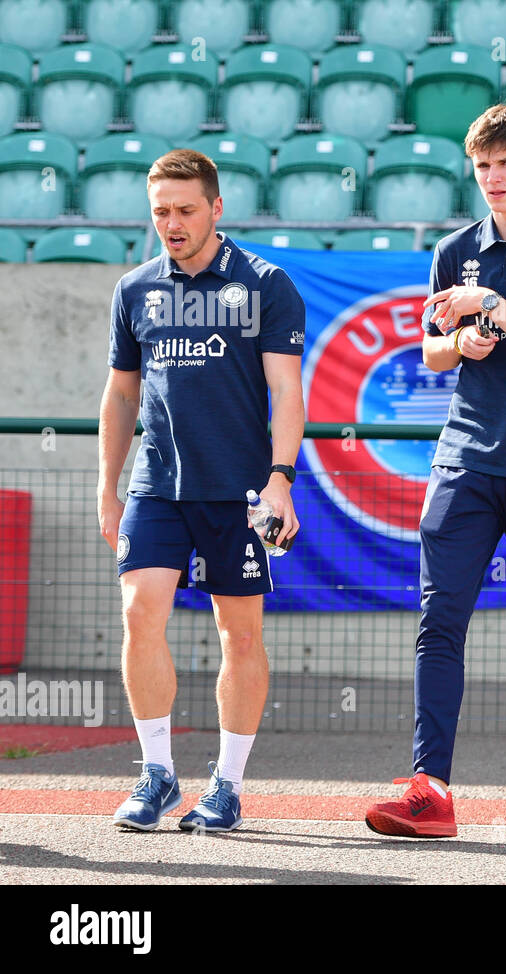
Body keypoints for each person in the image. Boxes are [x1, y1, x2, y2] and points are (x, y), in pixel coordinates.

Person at [364, 103, 506, 839]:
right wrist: (462, 341)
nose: (493, 178)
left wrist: (493, 304)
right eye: (482, 166)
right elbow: (430, 350)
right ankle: (430, 786)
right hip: (464, 456)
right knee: (440, 620)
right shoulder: (453, 250)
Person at [98, 149, 305, 832]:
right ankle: (157, 774)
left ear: (217, 208)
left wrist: (281, 481)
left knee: (239, 635)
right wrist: (108, 488)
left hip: (239, 491)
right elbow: (122, 393)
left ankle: (227, 785)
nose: (172, 223)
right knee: (139, 612)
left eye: (186, 210)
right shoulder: (135, 290)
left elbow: (285, 388)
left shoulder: (266, 285)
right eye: (161, 211)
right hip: (157, 485)